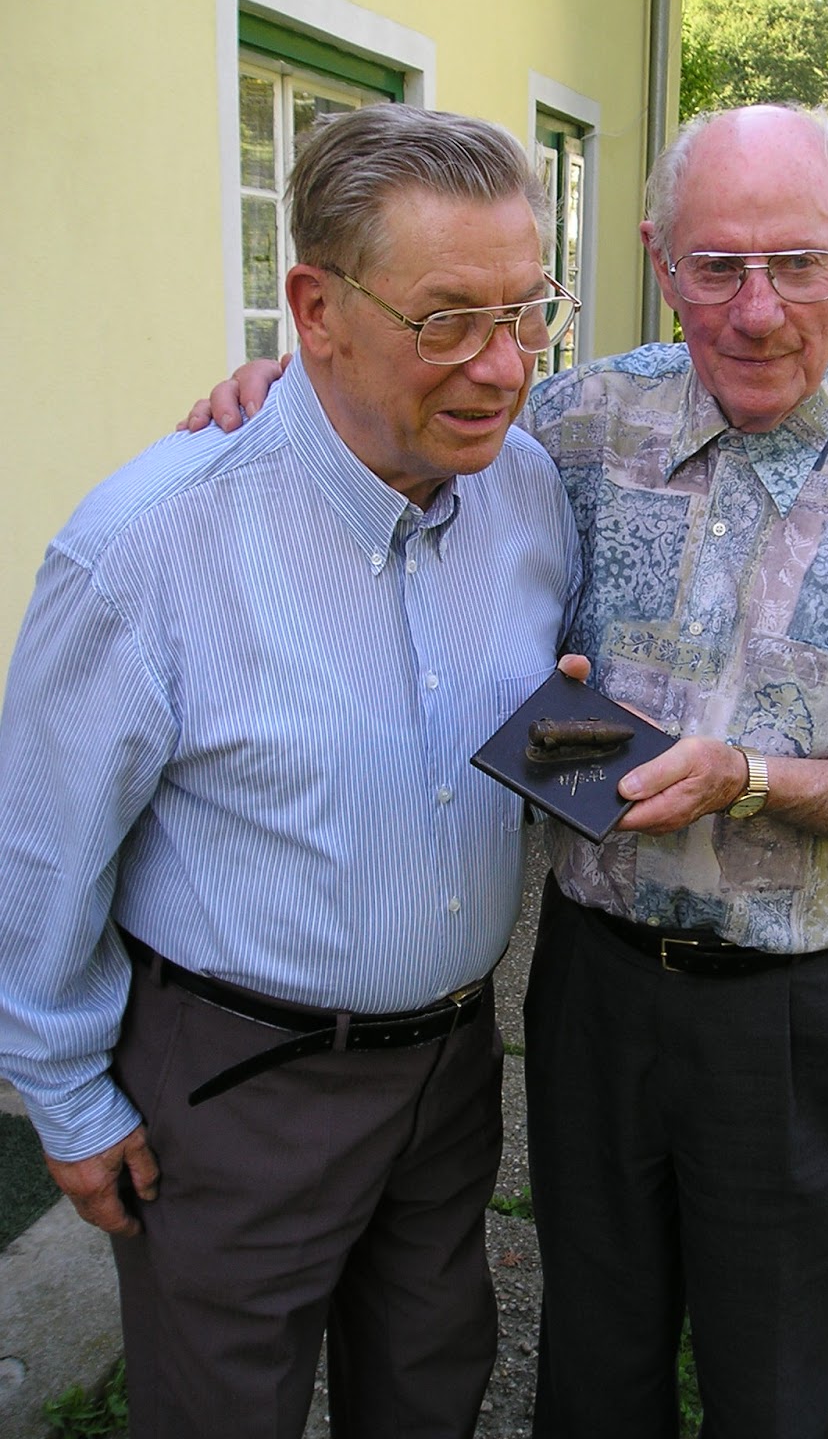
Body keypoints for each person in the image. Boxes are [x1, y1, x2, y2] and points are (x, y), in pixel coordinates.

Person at [194, 103, 828, 1439]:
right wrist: (280, 387)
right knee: (595, 1356)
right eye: (715, 265)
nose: (755, 311)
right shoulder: (566, 426)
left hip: (804, 1020)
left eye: (797, 264)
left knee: (781, 1382)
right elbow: (395, 429)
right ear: (657, 255)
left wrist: (754, 775)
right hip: (599, 992)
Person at [0, 103, 583, 1439]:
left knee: (427, 1393)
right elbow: (41, 851)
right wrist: (70, 1100)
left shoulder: (530, 491)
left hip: (448, 1072)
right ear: (314, 307)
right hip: (236, 1091)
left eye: (529, 311)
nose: (503, 367)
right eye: (449, 320)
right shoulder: (148, 548)